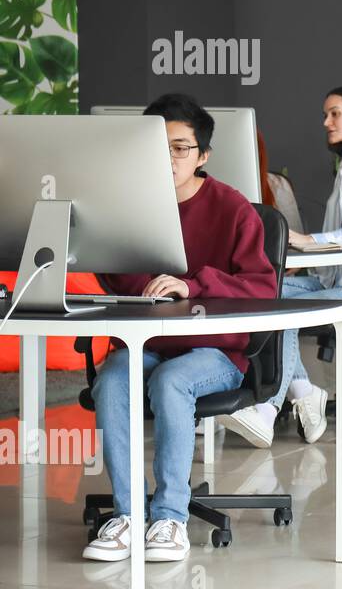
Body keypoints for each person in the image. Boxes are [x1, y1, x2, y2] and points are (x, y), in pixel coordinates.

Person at [83, 94, 278, 564]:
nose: (168, 158)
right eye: (158, 147)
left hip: (213, 352)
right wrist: (148, 286)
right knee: (113, 380)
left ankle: (169, 517)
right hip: (147, 342)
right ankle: (128, 516)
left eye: (180, 148)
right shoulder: (130, 205)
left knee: (171, 382)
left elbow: (262, 285)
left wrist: (191, 287)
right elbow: (113, 273)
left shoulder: (232, 208)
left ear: (203, 155)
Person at [218, 86, 342, 447]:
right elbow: (337, 236)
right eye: (326, 114)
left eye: (335, 113)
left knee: (288, 309)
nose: (326, 122)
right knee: (264, 294)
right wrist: (299, 257)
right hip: (331, 283)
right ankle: (304, 391)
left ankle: (268, 410)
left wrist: (307, 240)